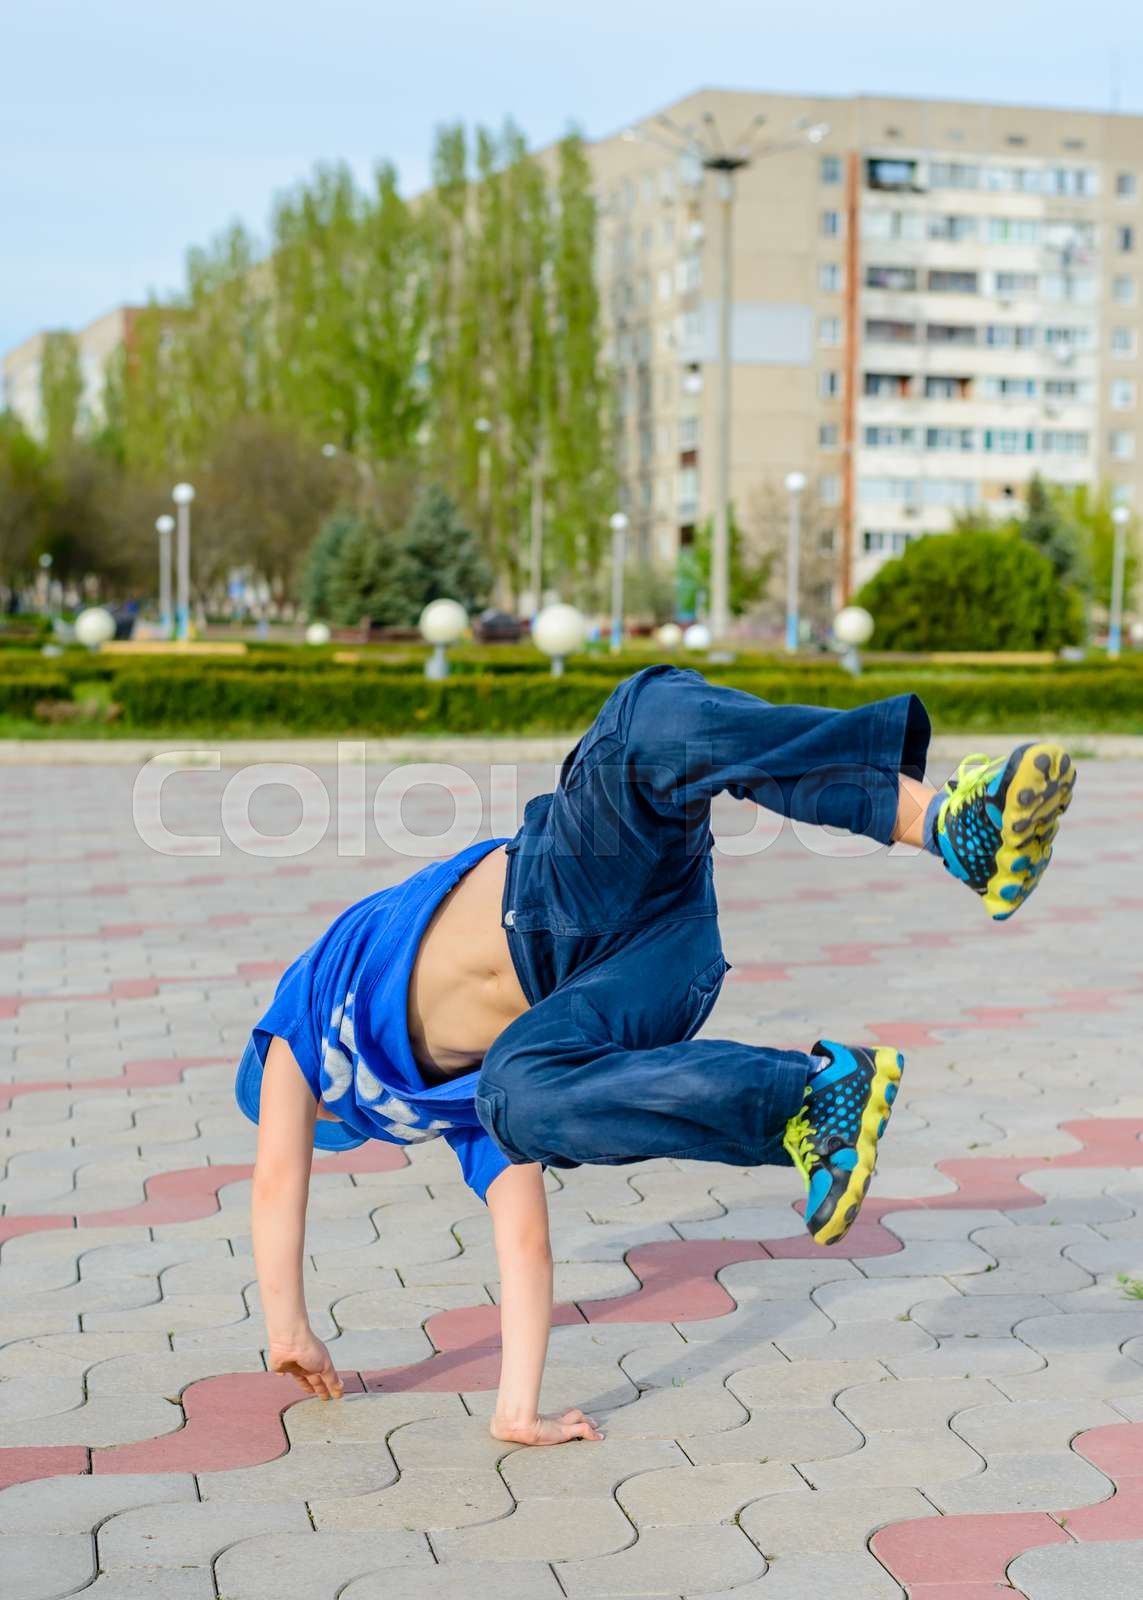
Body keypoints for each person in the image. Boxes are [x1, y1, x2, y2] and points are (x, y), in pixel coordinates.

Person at [236, 665, 1075, 1448]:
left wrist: (288, 1327)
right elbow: (524, 1247)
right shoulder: (468, 1106)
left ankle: (947, 824)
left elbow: (275, 1179)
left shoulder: (301, 1019)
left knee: (649, 720)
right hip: (639, 975)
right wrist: (514, 1409)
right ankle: (807, 1100)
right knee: (518, 1100)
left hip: (567, 884)